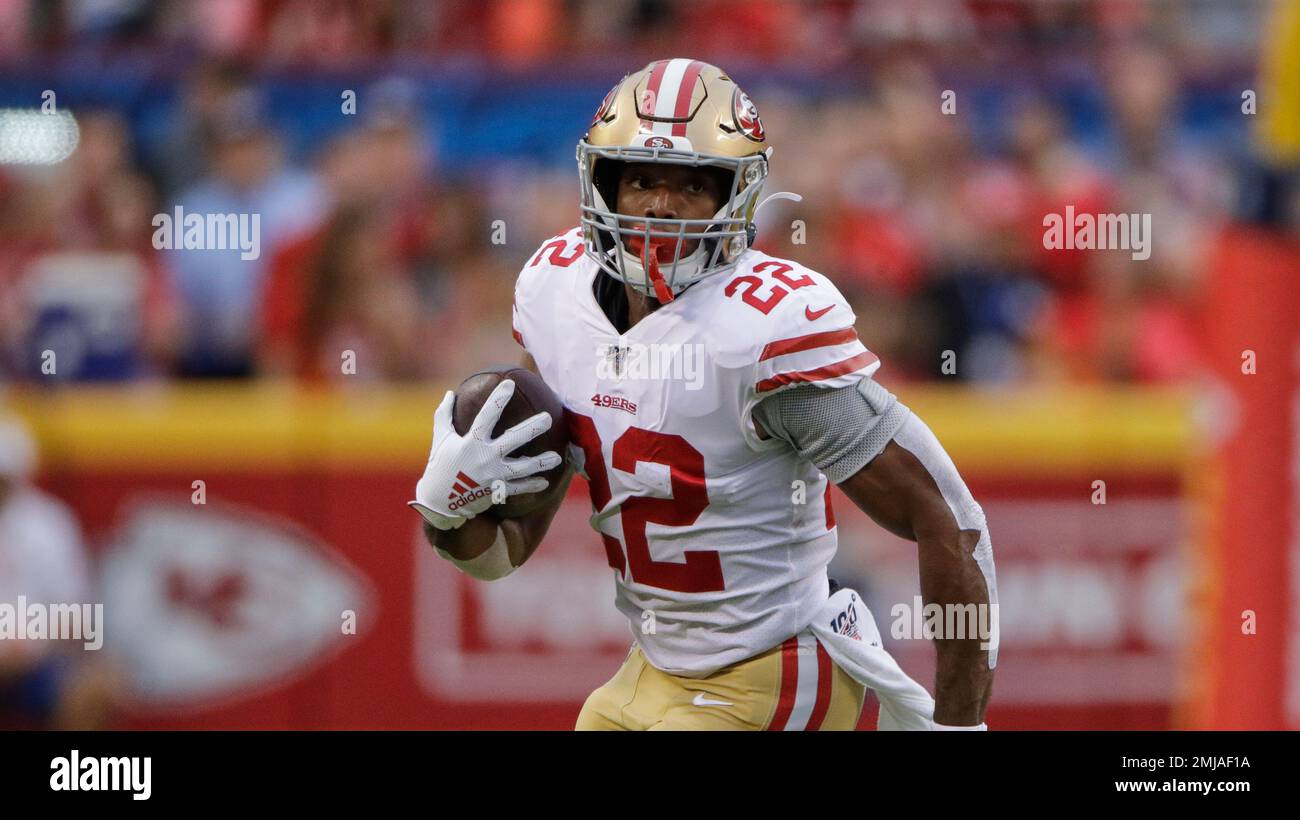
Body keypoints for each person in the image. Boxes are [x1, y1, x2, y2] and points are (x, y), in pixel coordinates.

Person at [410, 60, 998, 730]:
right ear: (602, 183)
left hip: (778, 667)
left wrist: (959, 722)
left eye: (693, 185)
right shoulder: (556, 293)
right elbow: (502, 557)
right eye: (642, 179)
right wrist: (447, 513)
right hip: (657, 670)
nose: (662, 204)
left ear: (737, 196)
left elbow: (947, 515)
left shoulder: (765, 326)